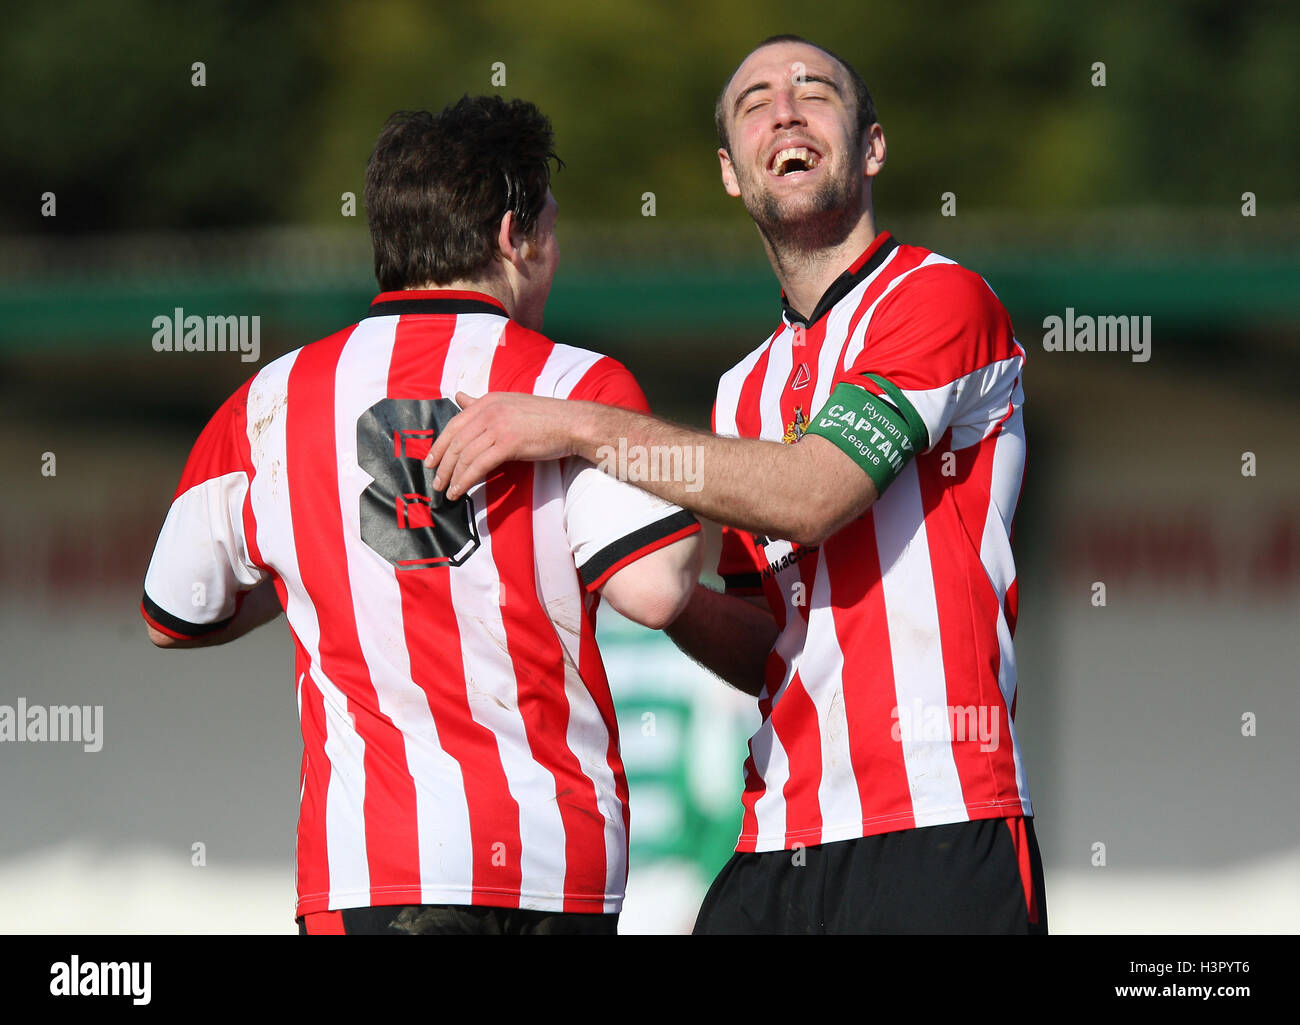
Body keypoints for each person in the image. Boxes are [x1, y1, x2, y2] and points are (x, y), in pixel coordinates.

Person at [424, 37, 1047, 935]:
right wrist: (658, 595)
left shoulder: (939, 298)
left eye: (814, 91)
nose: (785, 110)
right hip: (780, 835)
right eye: (754, 102)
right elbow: (768, 641)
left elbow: (812, 492)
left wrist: (570, 424)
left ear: (872, 147)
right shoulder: (741, 387)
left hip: (940, 824)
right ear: (730, 171)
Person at [140, 96, 702, 936]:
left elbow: (175, 613)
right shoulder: (580, 384)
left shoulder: (271, 399)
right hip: (556, 862)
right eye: (550, 227)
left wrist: (316, 567)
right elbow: (655, 590)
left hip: (374, 863)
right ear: (515, 236)